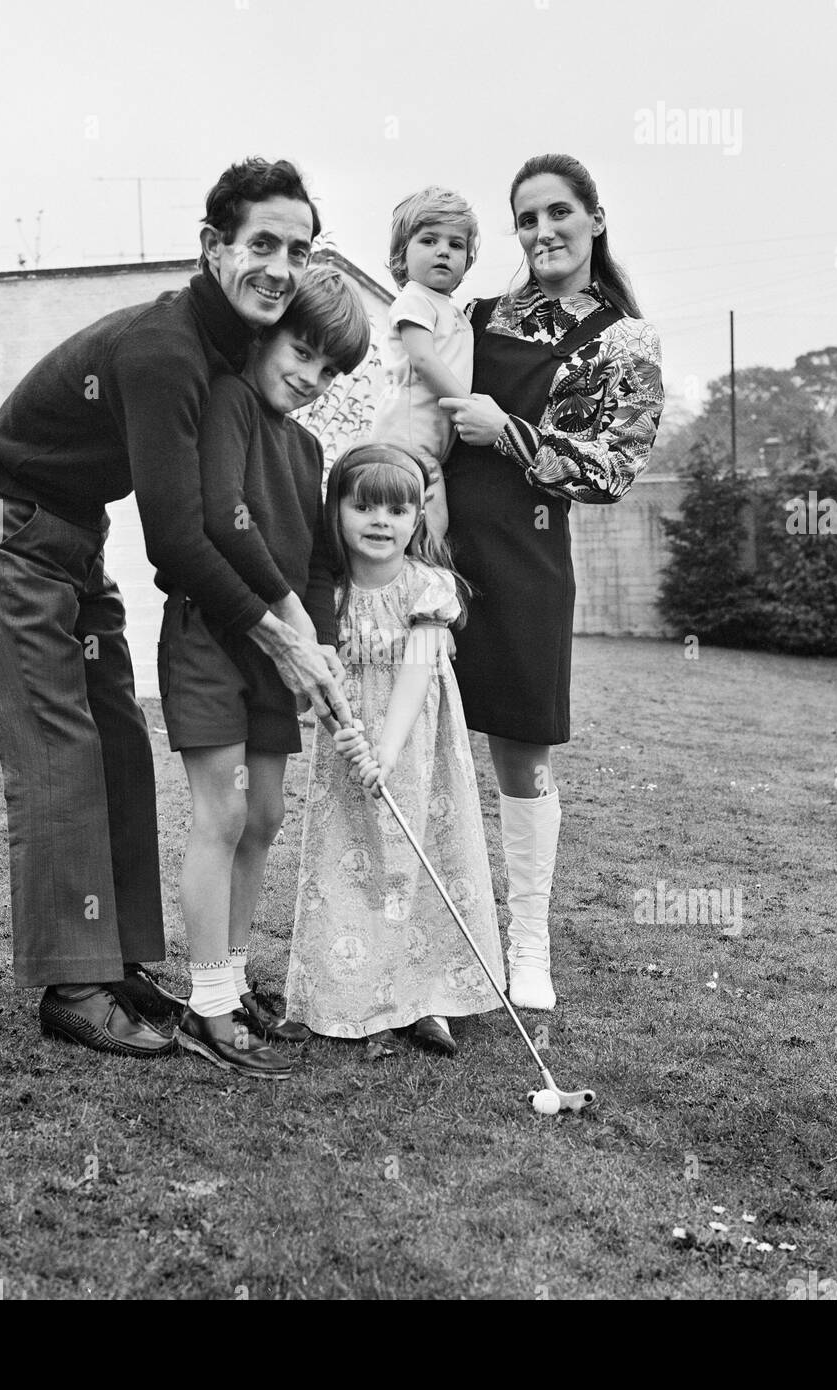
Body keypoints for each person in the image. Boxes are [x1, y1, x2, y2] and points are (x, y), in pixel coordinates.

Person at [0, 158, 352, 1059]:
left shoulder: (233, 349)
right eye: (261, 244)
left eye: (298, 249)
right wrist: (283, 642)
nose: (280, 267)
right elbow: (177, 540)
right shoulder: (167, 352)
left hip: (72, 536)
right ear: (212, 247)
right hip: (1, 525)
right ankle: (73, 986)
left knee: (119, 741)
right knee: (60, 746)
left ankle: (121, 959)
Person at [438, 153, 664, 1011]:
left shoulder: (623, 341)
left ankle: (527, 947)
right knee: (426, 742)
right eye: (526, 219)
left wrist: (510, 433)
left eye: (559, 213)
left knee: (520, 757)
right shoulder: (474, 313)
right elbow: (419, 411)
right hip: (436, 551)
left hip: (528, 564)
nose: (542, 232)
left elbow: (613, 470)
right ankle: (441, 939)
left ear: (595, 219)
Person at [161, 266, 370, 1078]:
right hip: (214, 635)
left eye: (329, 368)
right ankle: (206, 1006)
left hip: (279, 648)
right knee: (222, 812)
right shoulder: (229, 401)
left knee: (267, 814)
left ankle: (237, 980)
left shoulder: (309, 443)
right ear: (264, 336)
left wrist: (318, 640)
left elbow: (318, 560)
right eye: (301, 351)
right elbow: (222, 519)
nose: (310, 376)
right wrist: (289, 618)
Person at [285, 444, 505, 1056]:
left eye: (399, 509)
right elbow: (316, 677)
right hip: (349, 752)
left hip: (417, 751)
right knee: (349, 863)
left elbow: (417, 674)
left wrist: (385, 748)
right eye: (364, 506)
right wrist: (346, 736)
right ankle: (344, 996)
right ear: (337, 512)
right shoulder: (323, 594)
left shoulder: (428, 586)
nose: (381, 521)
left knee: (423, 861)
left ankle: (426, 999)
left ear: (417, 519)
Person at [370, 188, 479, 543]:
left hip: (429, 444)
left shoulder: (450, 309)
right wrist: (467, 403)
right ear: (402, 255)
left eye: (456, 244)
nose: (443, 251)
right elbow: (423, 359)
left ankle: (420, 574)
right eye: (429, 240)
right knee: (432, 519)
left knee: (418, 516)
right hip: (407, 439)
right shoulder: (414, 299)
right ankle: (424, 579)